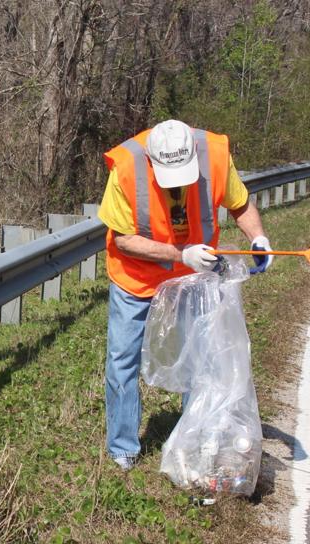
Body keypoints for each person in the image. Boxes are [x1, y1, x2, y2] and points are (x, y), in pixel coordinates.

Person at [97, 119, 272, 471]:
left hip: (194, 277)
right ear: (152, 162)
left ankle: (193, 441)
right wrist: (181, 254)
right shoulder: (127, 166)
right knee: (122, 361)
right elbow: (123, 239)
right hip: (136, 278)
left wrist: (258, 237)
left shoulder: (214, 155)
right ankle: (122, 448)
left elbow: (240, 204)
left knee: (200, 358)